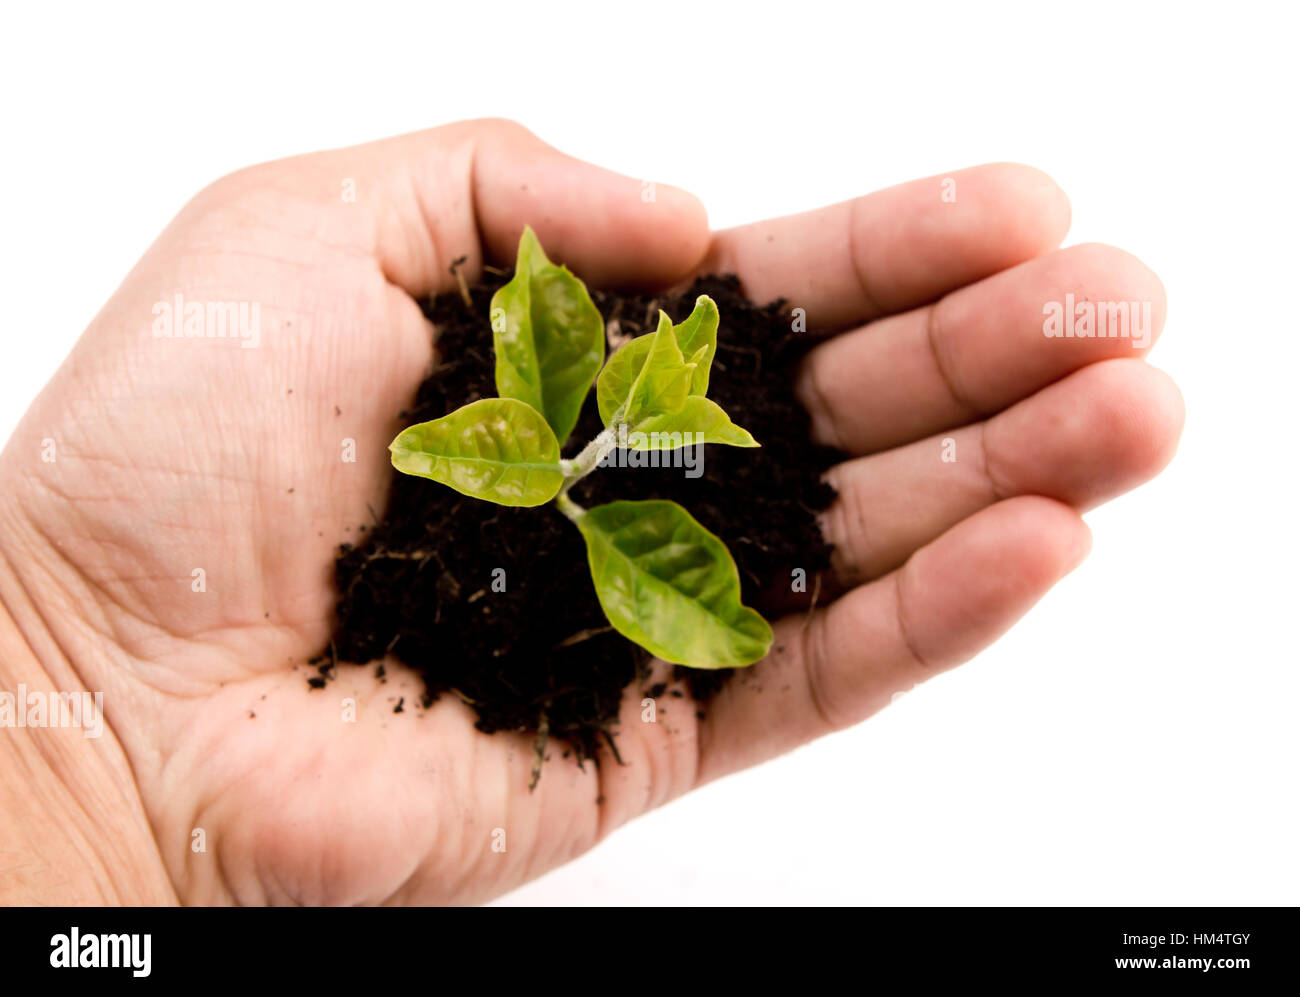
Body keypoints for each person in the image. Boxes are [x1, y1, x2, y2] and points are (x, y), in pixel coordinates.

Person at [0, 120, 1184, 904]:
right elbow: (465, 432)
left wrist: (97, 783)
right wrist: (75, 688)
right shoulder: (492, 452)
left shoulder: (664, 435)